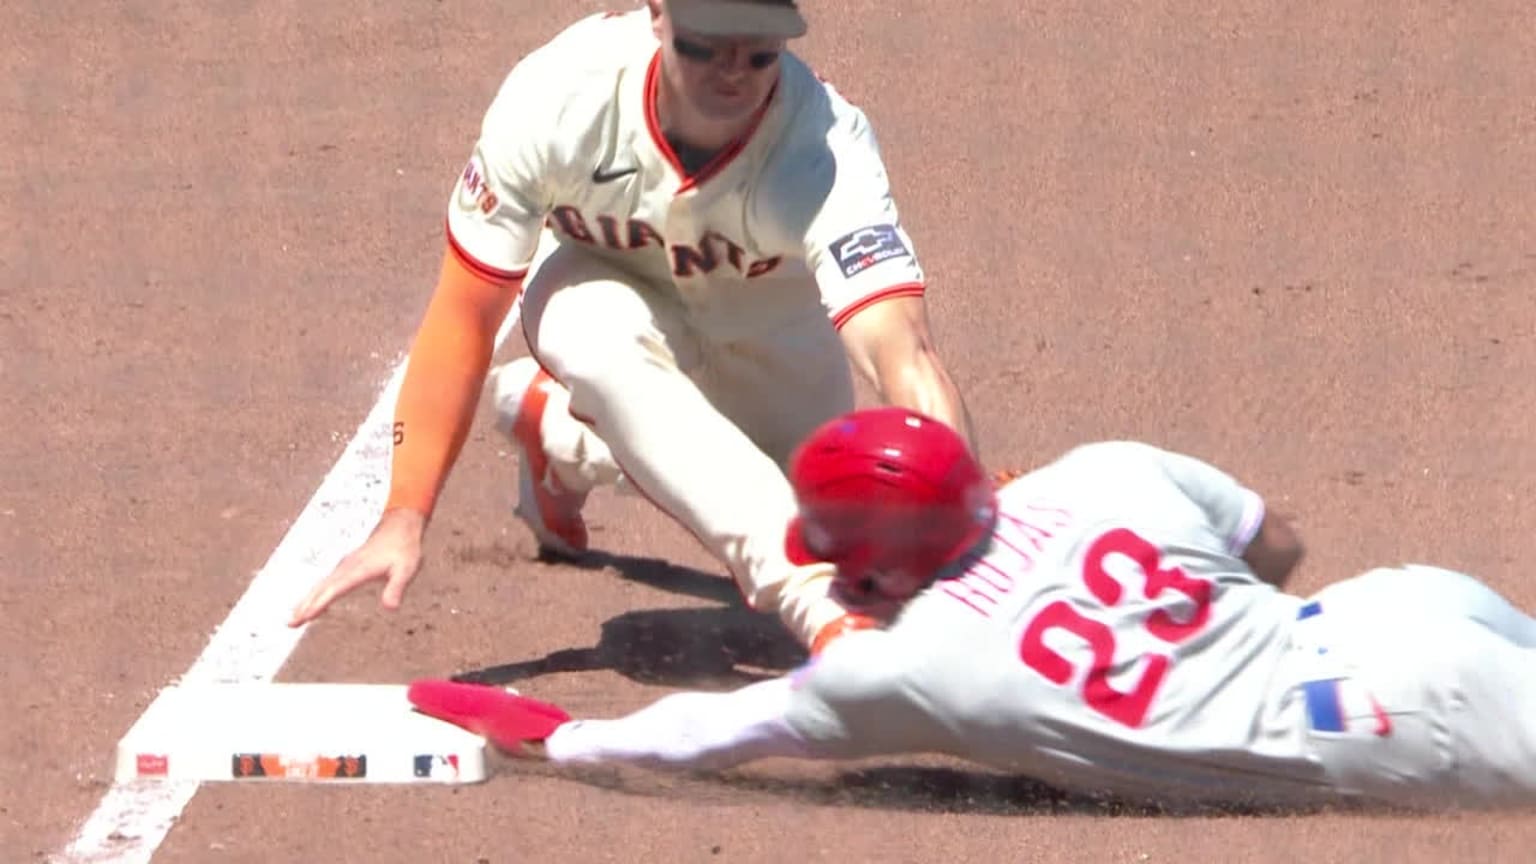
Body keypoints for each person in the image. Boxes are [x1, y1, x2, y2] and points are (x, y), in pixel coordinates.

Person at [407, 407, 1536, 812]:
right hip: (1399, 609)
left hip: (1391, 726)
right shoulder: (1108, 469)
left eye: (846, 569)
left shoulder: (908, 669)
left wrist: (566, 738)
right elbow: (1278, 544)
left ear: (887, 574)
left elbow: (708, 733)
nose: (840, 587)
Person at [287, 0, 977, 652]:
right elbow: (464, 313)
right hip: (599, 295)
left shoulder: (824, 147)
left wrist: (970, 547)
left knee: (845, 519)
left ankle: (558, 432)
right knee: (600, 335)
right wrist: (405, 512)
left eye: (758, 51)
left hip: (773, 346)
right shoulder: (559, 99)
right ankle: (810, 597)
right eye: (706, 43)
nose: (732, 70)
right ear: (656, 12)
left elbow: (903, 352)